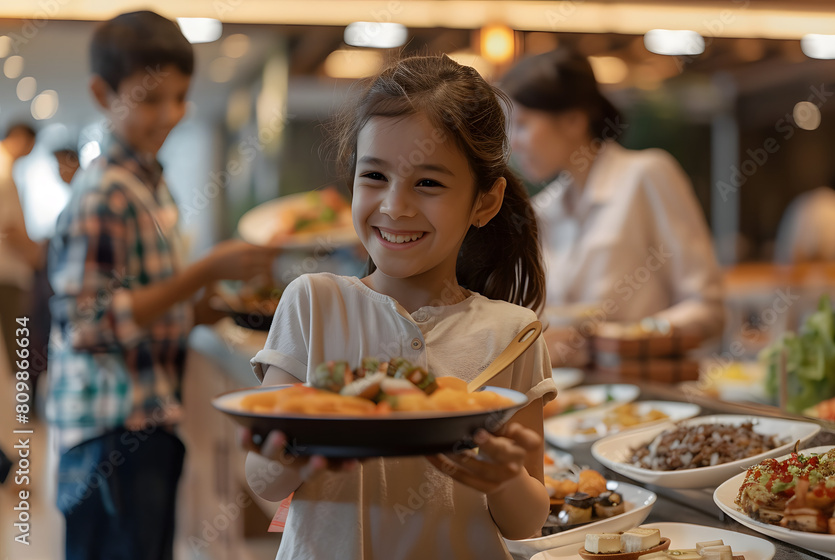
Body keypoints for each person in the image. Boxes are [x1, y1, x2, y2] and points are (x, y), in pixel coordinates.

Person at [243, 54, 556, 559]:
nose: (395, 206)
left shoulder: (513, 333)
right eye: (374, 176)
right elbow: (263, 480)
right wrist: (301, 446)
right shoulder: (315, 303)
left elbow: (526, 521)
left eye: (428, 183)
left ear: (485, 202)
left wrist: (505, 479)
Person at [46, 11, 278, 560]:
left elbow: (146, 307)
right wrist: (202, 272)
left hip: (147, 417)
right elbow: (90, 324)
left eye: (180, 97)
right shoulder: (104, 192)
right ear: (103, 94)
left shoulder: (151, 185)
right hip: (108, 428)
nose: (170, 114)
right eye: (151, 100)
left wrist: (211, 307)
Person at [500, 48, 724, 367]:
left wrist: (624, 338)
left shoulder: (645, 175)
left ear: (574, 120)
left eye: (522, 124)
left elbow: (708, 309)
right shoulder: (544, 208)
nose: (514, 141)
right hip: (577, 400)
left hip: (654, 396)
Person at [0, 123, 39, 364]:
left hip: (8, 273)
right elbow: (9, 229)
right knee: (17, 350)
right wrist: (36, 254)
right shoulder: (3, 171)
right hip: (8, 274)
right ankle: (21, 402)